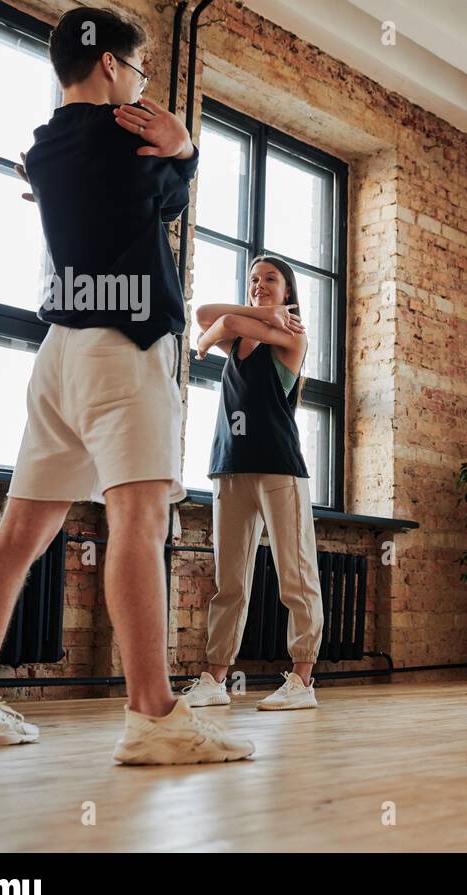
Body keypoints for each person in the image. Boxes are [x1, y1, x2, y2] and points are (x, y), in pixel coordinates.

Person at [0, 7, 254, 763]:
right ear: (110, 65)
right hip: (123, 348)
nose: (140, 85)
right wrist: (187, 150)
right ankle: (152, 718)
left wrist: (168, 161)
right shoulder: (124, 131)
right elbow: (167, 204)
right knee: (139, 524)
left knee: (18, 537)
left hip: (60, 355)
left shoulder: (44, 148)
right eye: (138, 70)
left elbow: (113, 202)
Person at [180, 256, 325, 711]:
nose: (260, 285)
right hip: (230, 467)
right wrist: (246, 316)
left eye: (271, 281)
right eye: (254, 280)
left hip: (280, 469)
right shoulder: (243, 334)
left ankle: (302, 681)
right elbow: (205, 317)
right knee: (229, 583)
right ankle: (215, 679)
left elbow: (214, 326)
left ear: (289, 292)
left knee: (296, 578)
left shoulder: (290, 338)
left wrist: (225, 327)